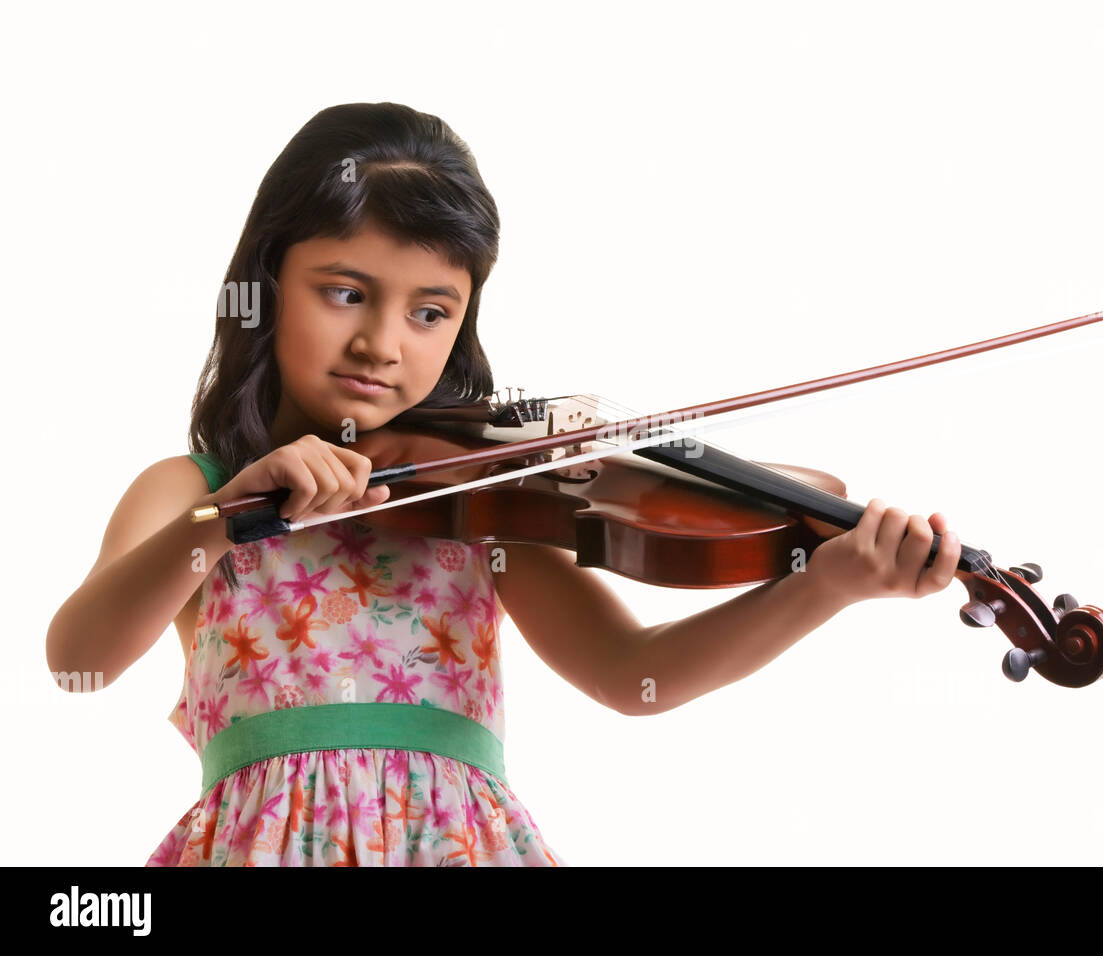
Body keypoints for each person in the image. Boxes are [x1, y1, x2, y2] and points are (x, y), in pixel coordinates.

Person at [45, 102, 962, 867]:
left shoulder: (474, 500)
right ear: (266, 282)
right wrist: (230, 514)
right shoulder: (192, 490)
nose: (383, 343)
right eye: (345, 292)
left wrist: (827, 584)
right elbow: (77, 659)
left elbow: (633, 674)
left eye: (430, 310)